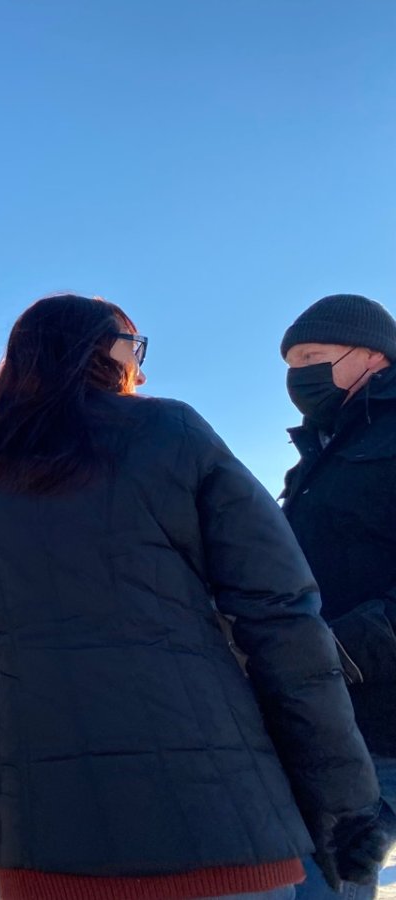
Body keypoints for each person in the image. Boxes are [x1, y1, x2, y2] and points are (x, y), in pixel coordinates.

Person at [0, 294, 387, 900]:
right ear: (97, 351)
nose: (138, 367)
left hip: (43, 849)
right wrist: (347, 803)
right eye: (132, 346)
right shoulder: (170, 432)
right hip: (217, 830)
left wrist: (13, 783)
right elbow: (283, 621)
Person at [279, 293, 396, 898]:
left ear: (372, 355)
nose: (298, 374)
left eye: (312, 356)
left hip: (379, 718)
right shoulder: (320, 456)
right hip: (324, 713)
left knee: (320, 881)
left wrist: (347, 648)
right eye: (291, 361)